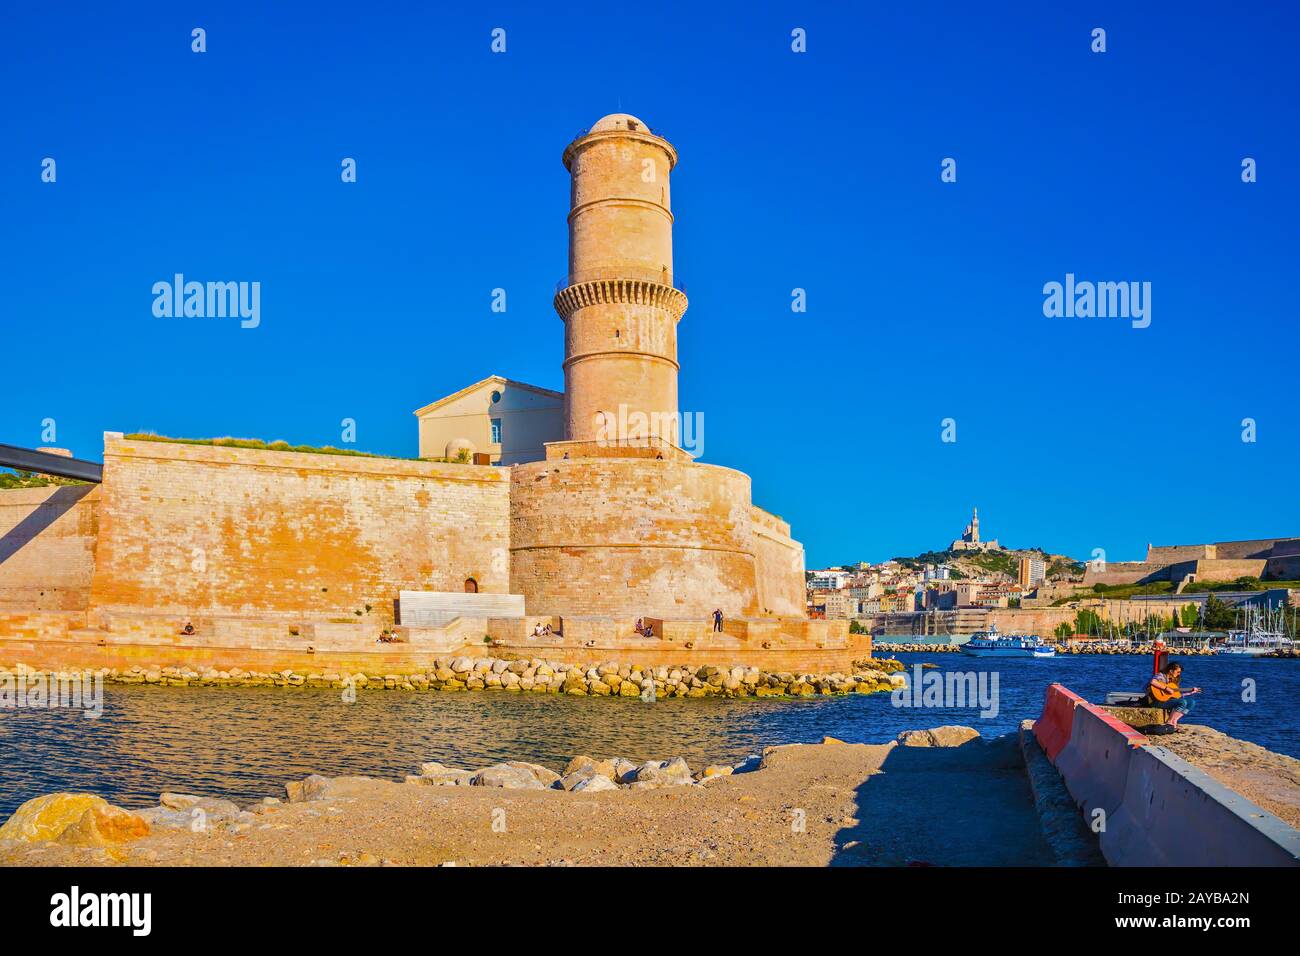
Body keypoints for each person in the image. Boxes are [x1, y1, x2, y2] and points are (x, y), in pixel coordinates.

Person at [1145, 660, 1200, 730]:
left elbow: (1176, 696)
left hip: (1167, 701)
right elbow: (1153, 682)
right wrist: (1166, 688)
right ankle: (1169, 722)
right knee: (1182, 702)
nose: (1179, 674)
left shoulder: (1172, 680)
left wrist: (1189, 692)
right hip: (1156, 701)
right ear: (1171, 671)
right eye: (1178, 672)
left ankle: (1175, 720)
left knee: (1191, 702)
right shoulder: (1160, 675)